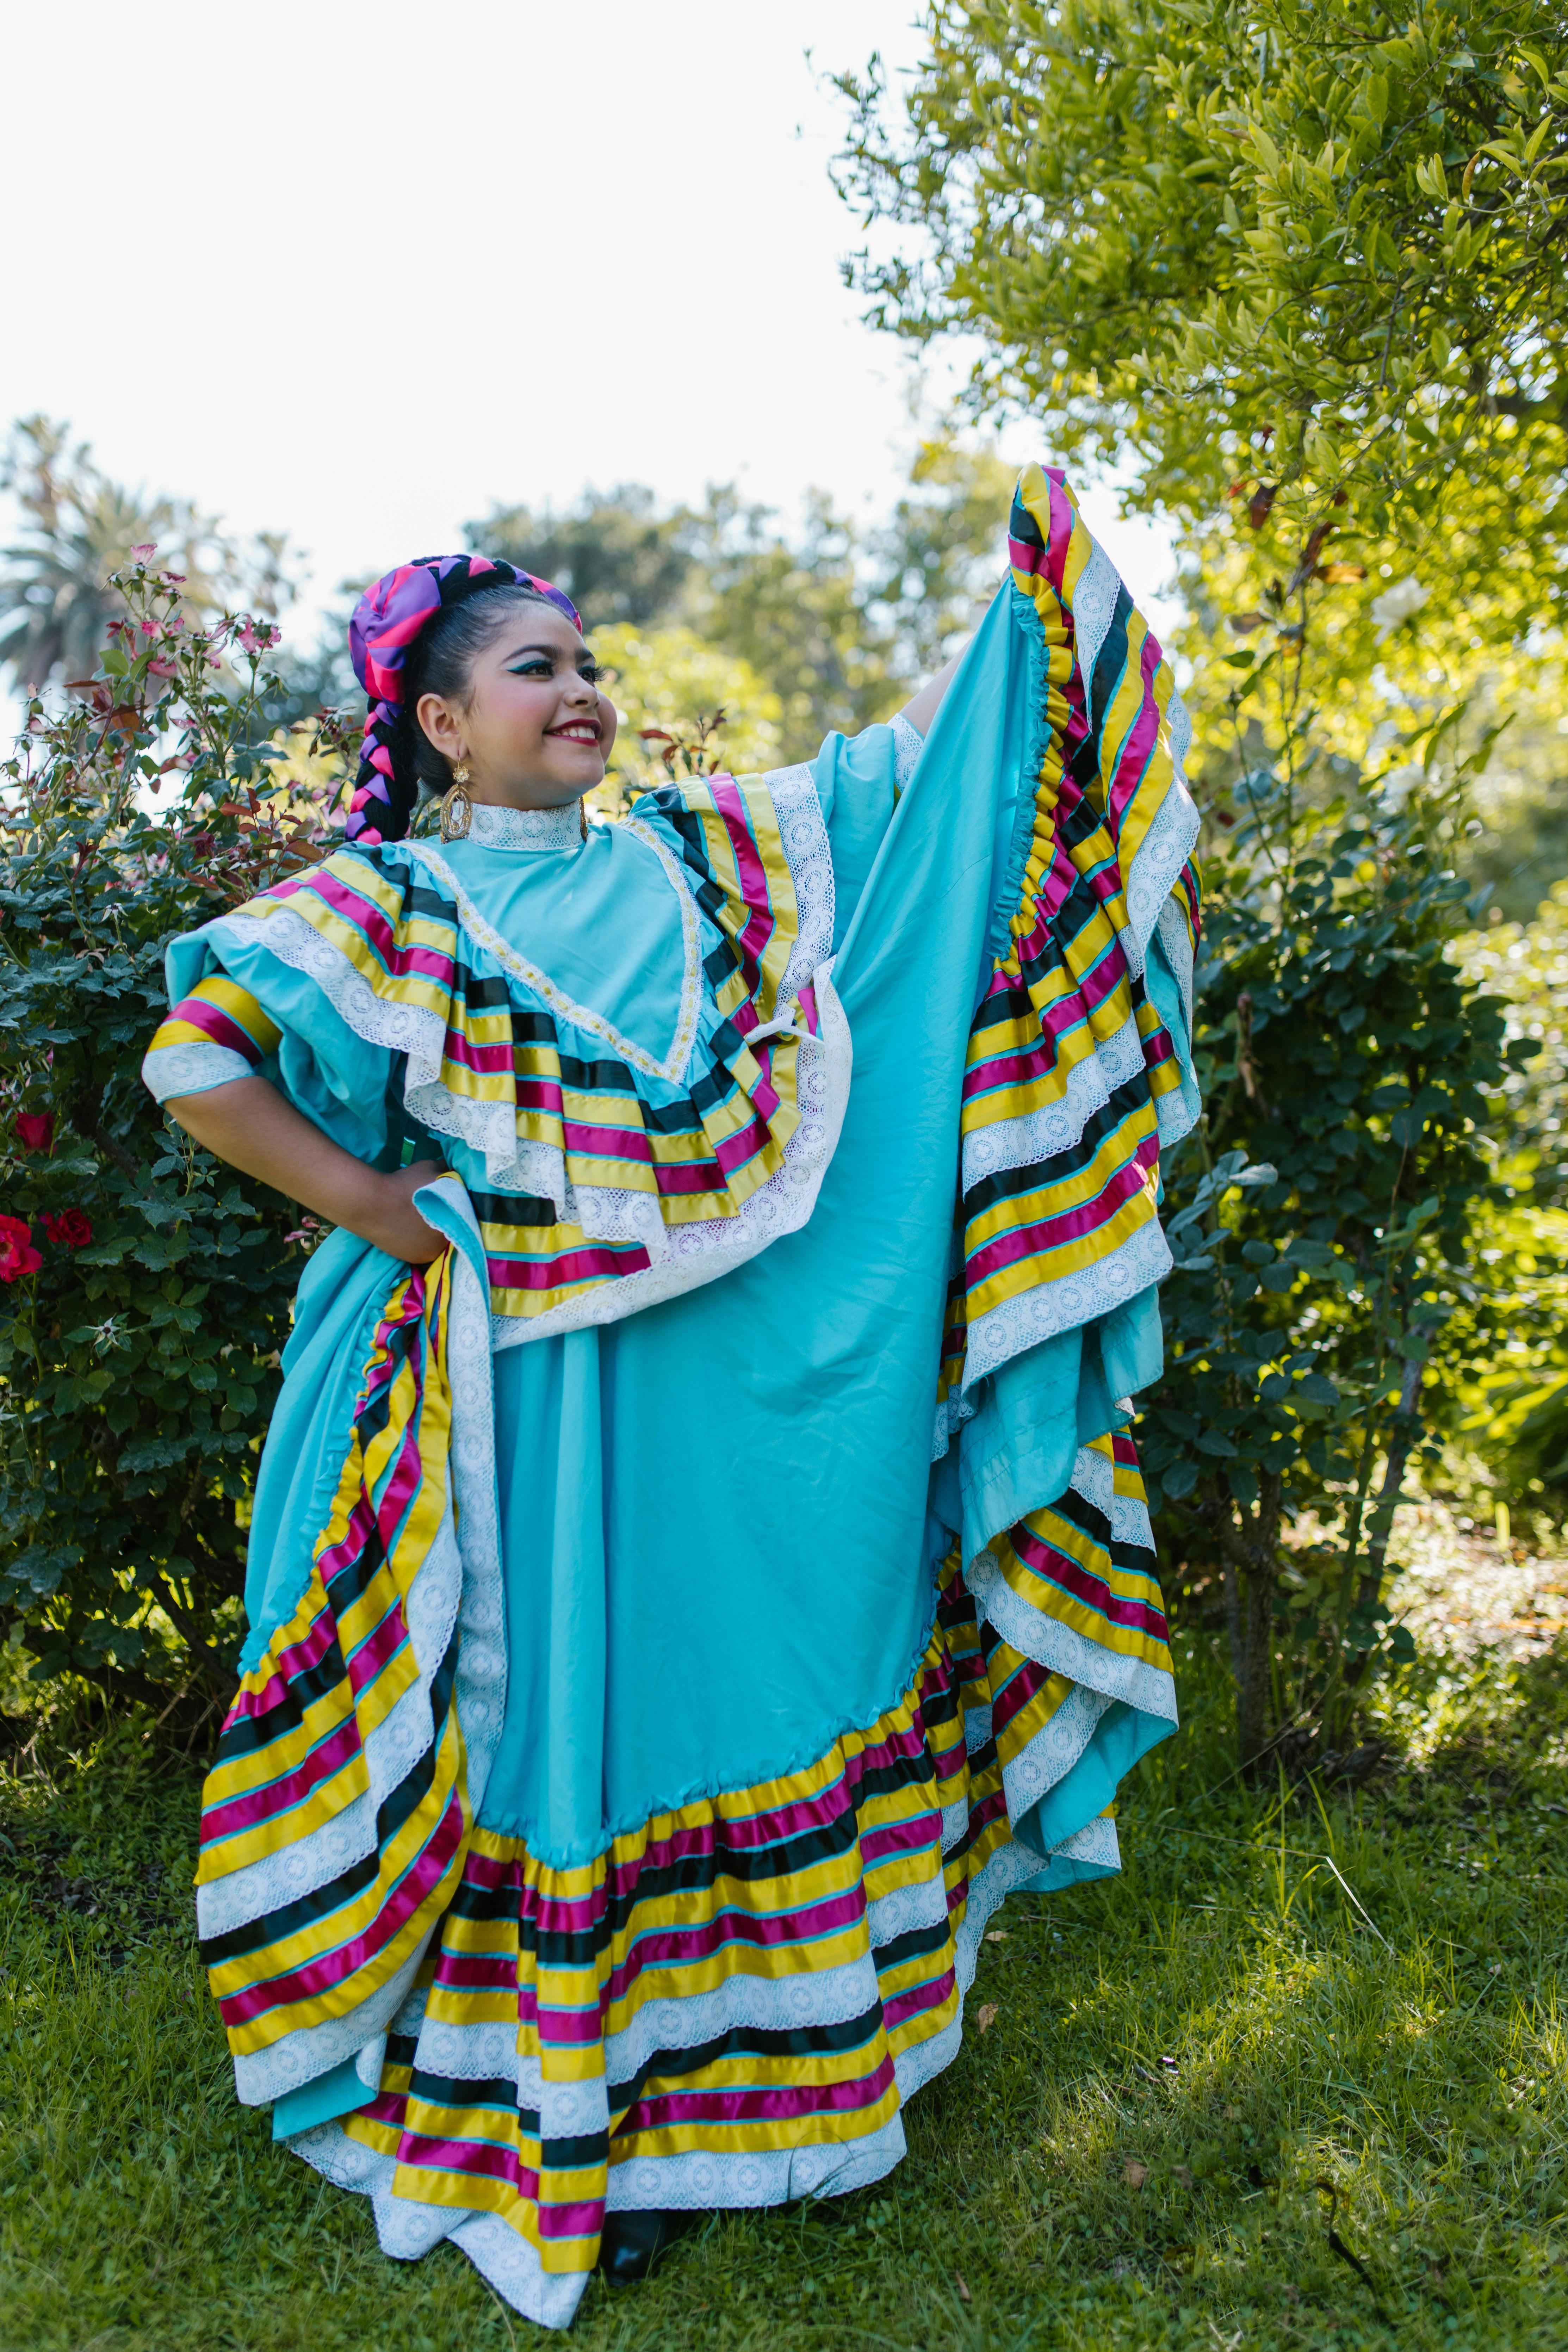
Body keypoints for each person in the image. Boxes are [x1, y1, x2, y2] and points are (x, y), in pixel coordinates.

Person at [142, 463, 1200, 2329]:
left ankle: (768, 2092)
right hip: (516, 1422)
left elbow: (919, 824)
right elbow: (195, 1056)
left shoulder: (703, 858)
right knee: (561, 1731)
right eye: (535, 668)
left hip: (723, 1418)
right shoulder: (385, 900)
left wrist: (1019, 646)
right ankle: (575, 2123)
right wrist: (388, 1212)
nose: (579, 694)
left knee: (731, 1693)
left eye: (589, 666)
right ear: (441, 719)